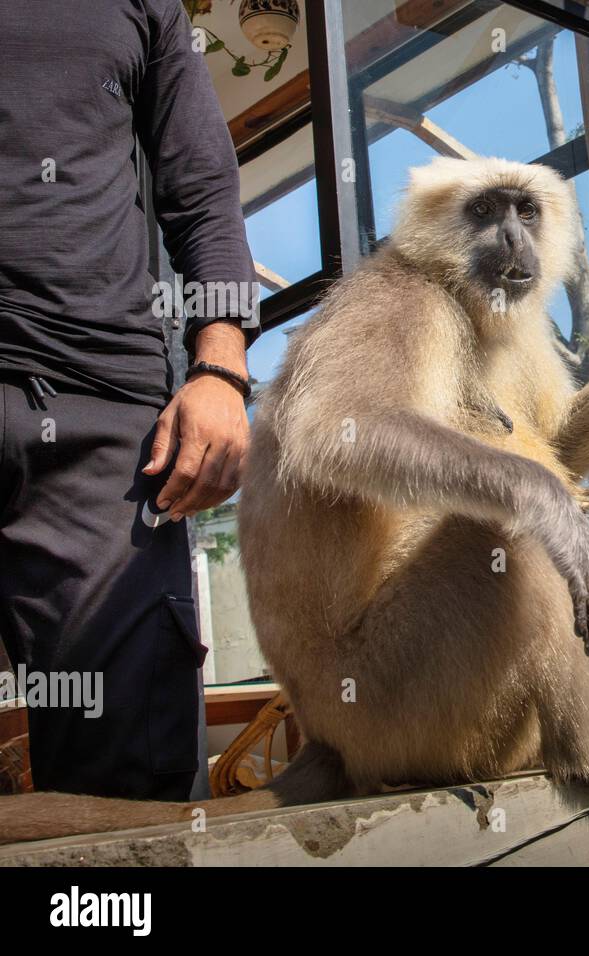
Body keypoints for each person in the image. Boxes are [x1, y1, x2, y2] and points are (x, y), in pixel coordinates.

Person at [0, 0, 259, 799]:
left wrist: (220, 368)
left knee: (131, 796)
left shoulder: (145, 6)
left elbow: (202, 185)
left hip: (102, 420)